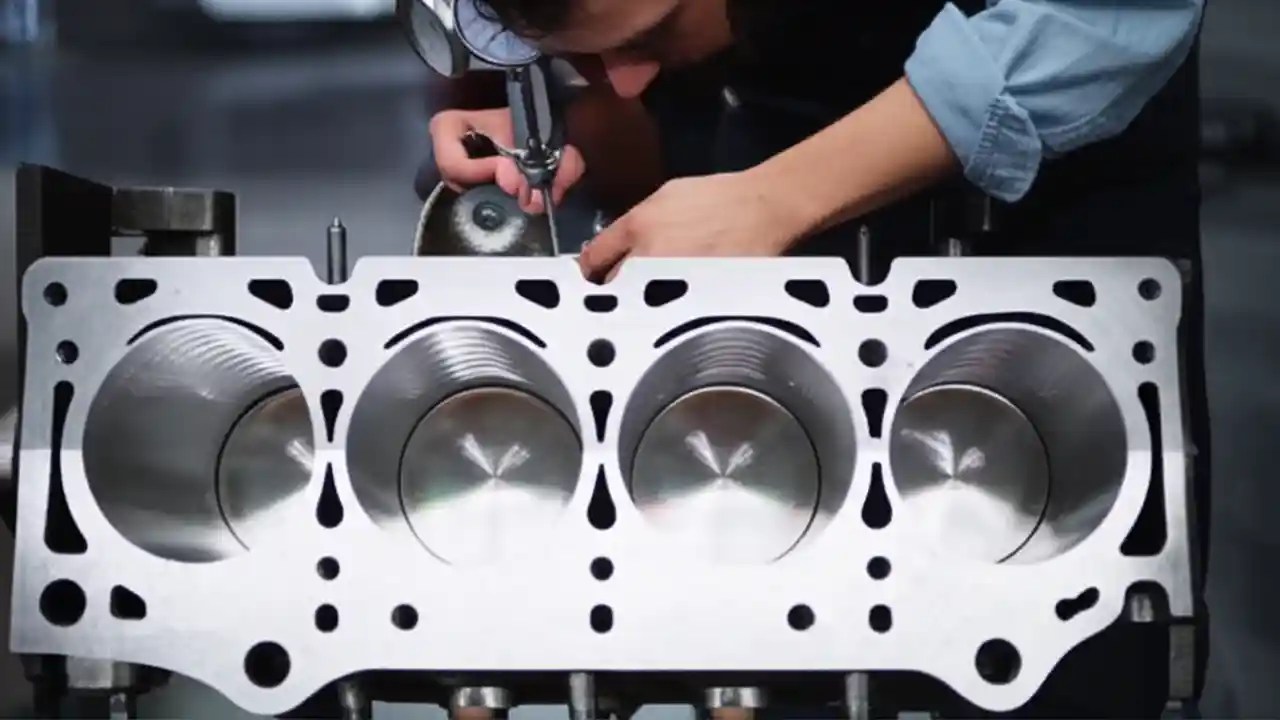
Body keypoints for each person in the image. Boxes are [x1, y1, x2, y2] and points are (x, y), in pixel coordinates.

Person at [427, 0, 1211, 716]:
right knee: (782, 629)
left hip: (1055, 218)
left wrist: (776, 199)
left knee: (1057, 635)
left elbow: (1106, 16)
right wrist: (571, 134)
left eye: (649, 38)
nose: (622, 80)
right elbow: (681, 99)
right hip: (779, 170)